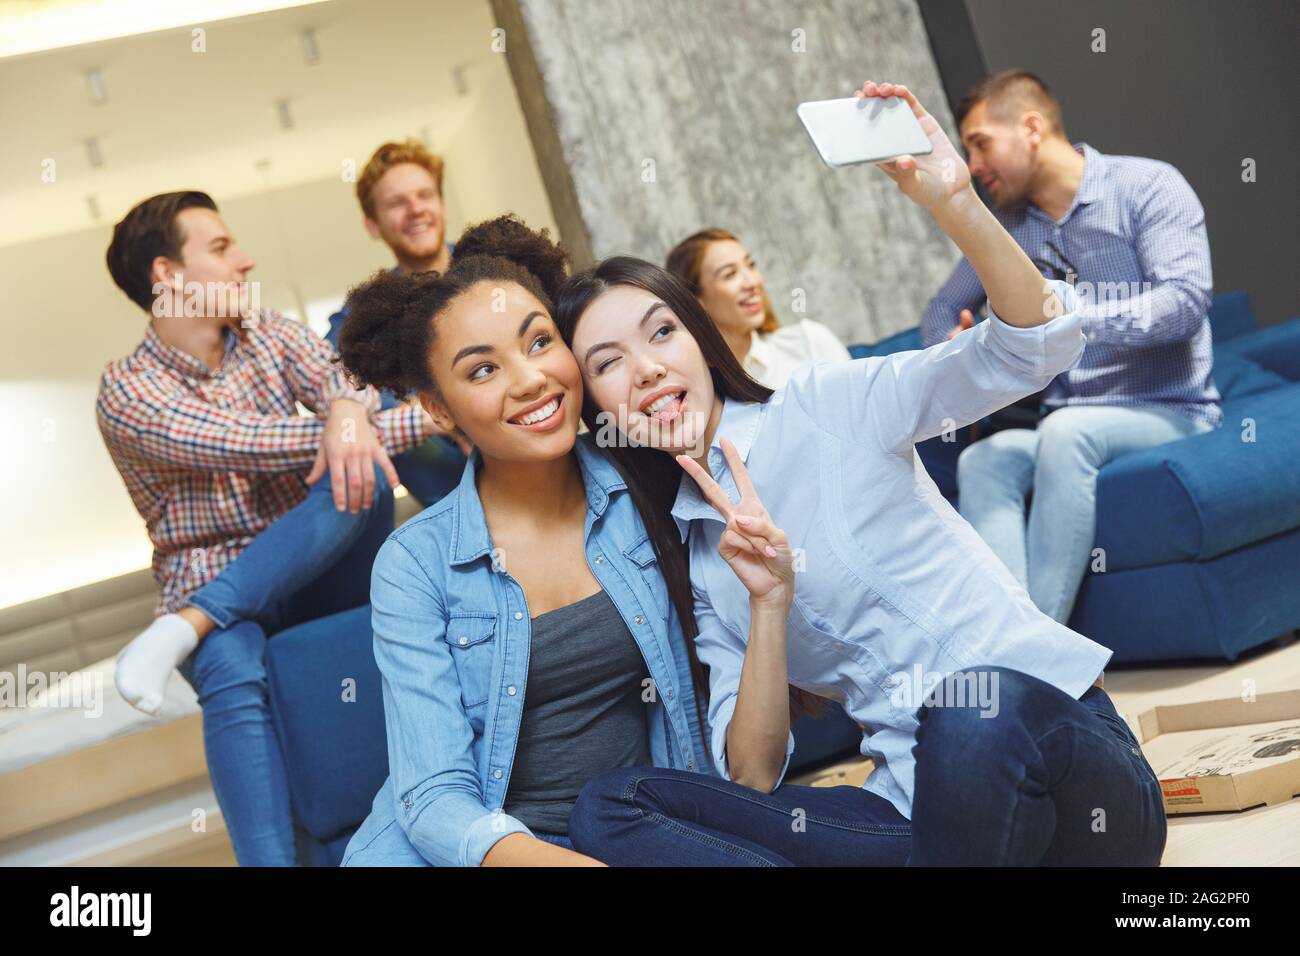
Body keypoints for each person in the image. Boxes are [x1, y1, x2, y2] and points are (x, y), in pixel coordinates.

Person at [557, 81, 1168, 866]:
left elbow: (1036, 348)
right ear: (598, 407)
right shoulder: (701, 558)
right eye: (608, 363)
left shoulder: (822, 404)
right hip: (913, 812)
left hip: (1064, 768)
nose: (645, 369)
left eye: (661, 332)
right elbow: (751, 772)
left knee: (967, 710)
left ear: (701, 337)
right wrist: (769, 602)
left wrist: (957, 205)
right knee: (614, 807)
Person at [333, 215, 711, 867]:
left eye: (539, 342)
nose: (530, 379)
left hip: (627, 829)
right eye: (482, 371)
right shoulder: (414, 563)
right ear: (439, 411)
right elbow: (433, 798)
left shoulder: (644, 480)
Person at [98, 190, 438, 864]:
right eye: (222, 249)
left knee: (360, 478)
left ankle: (184, 625)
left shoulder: (270, 332)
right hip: (219, 576)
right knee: (232, 667)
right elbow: (247, 443)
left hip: (315, 563)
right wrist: (436, 414)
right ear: (168, 275)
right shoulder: (128, 389)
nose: (245, 261)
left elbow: (352, 386)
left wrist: (347, 410)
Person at [920, 70, 1220, 623]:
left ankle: (1044, 658)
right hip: (1072, 418)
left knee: (1063, 431)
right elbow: (942, 308)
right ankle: (1016, 640)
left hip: (1170, 410)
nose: (973, 165)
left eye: (980, 143)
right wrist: (953, 343)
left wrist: (1067, 318)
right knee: (987, 458)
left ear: (1031, 127)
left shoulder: (1148, 186)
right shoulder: (1010, 228)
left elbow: (1183, 302)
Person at [325, 139, 470, 506]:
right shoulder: (363, 316)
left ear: (442, 204)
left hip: (527, 448)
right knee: (363, 405)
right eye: (396, 203)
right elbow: (331, 370)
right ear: (373, 225)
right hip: (452, 488)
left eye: (424, 195)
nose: (416, 210)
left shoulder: (496, 271)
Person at [665, 228, 850, 387]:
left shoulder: (809, 341)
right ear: (695, 300)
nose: (753, 282)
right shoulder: (700, 392)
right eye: (730, 274)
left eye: (751, 265)